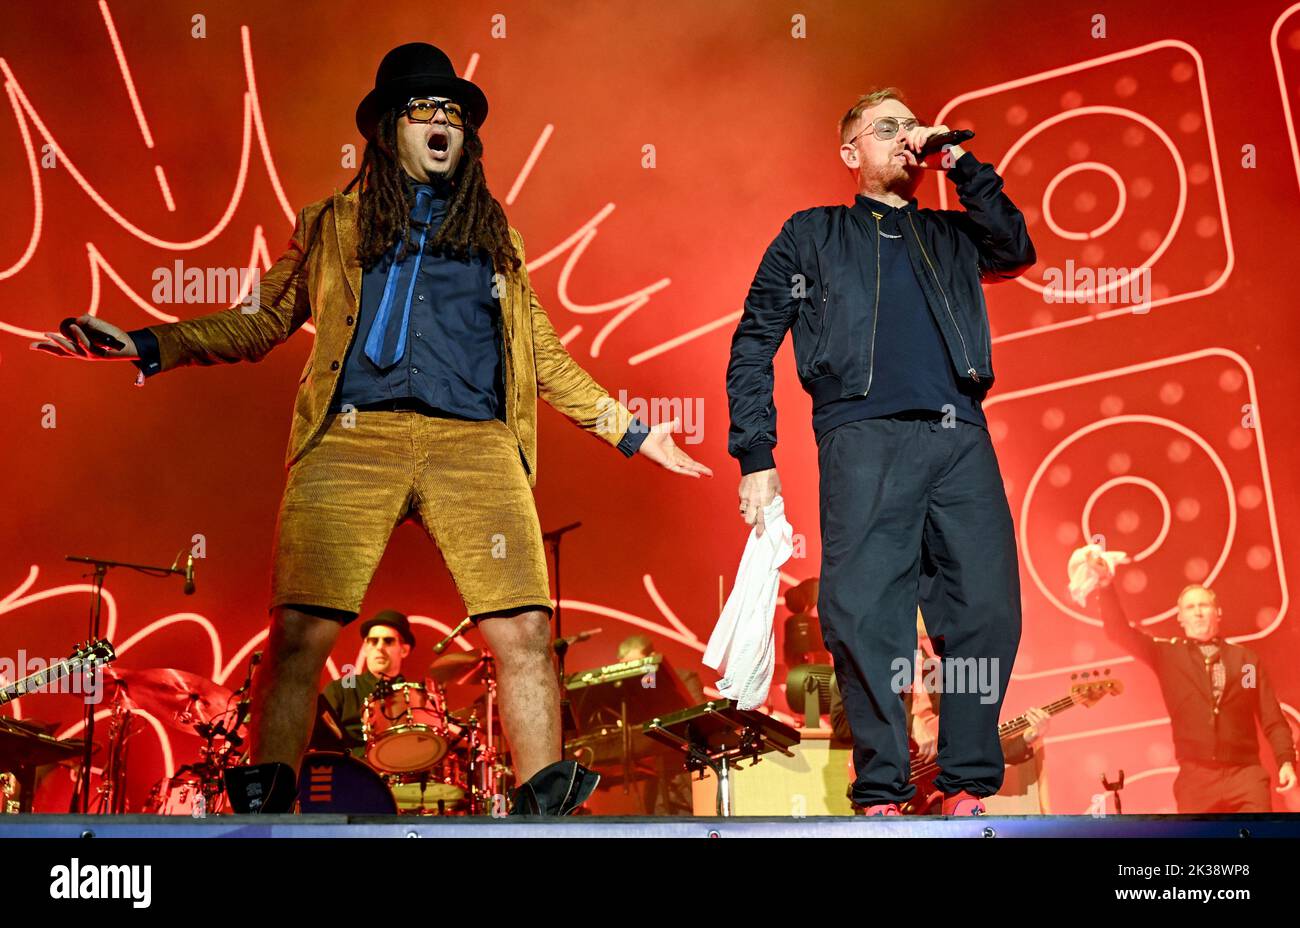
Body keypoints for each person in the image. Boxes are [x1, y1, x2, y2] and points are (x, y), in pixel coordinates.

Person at [32, 42, 711, 816]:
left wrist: (632, 430)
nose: (443, 124)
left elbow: (544, 355)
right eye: (425, 111)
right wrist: (147, 342)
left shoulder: (495, 236)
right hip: (352, 439)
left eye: (454, 115)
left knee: (524, 625)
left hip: (475, 442)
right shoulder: (330, 224)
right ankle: (267, 803)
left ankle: (541, 805)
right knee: (298, 630)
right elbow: (260, 322)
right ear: (390, 130)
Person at [727, 88, 1035, 815]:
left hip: (959, 434)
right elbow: (752, 344)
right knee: (868, 616)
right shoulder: (813, 234)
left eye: (912, 128)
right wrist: (756, 454)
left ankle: (964, 782)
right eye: (886, 128)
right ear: (850, 152)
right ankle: (882, 791)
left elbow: (1016, 248)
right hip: (862, 436)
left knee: (985, 610)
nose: (905, 139)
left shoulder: (951, 235)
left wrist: (956, 159)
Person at [1090, 552, 1297, 812]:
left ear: (1218, 612)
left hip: (1245, 775)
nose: (1198, 613)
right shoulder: (1168, 656)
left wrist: (1286, 761)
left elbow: (1271, 717)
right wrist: (1106, 587)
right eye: (1190, 607)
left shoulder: (1245, 662)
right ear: (1180, 618)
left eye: (1204, 606)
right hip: (1196, 778)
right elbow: (1119, 632)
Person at [319, 610, 416, 754]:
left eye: (388, 641)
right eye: (373, 641)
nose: (379, 647)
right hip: (351, 770)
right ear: (365, 647)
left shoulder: (416, 699)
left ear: (404, 650)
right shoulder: (341, 689)